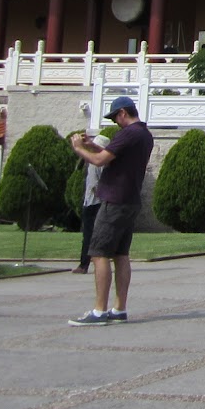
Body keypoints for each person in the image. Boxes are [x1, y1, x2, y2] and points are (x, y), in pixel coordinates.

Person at [66, 95, 154, 325]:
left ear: (123, 113)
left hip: (115, 200)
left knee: (99, 253)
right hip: (130, 199)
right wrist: (92, 144)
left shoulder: (128, 133)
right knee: (121, 254)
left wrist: (78, 148)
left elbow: (99, 160)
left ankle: (99, 310)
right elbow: (115, 154)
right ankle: (119, 308)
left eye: (116, 117)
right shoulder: (144, 135)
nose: (116, 122)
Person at [72, 129, 110, 275]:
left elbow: (101, 182)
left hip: (95, 202)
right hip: (90, 201)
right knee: (91, 234)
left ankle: (84, 264)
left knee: (89, 235)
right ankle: (90, 262)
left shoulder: (98, 163)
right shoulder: (92, 161)